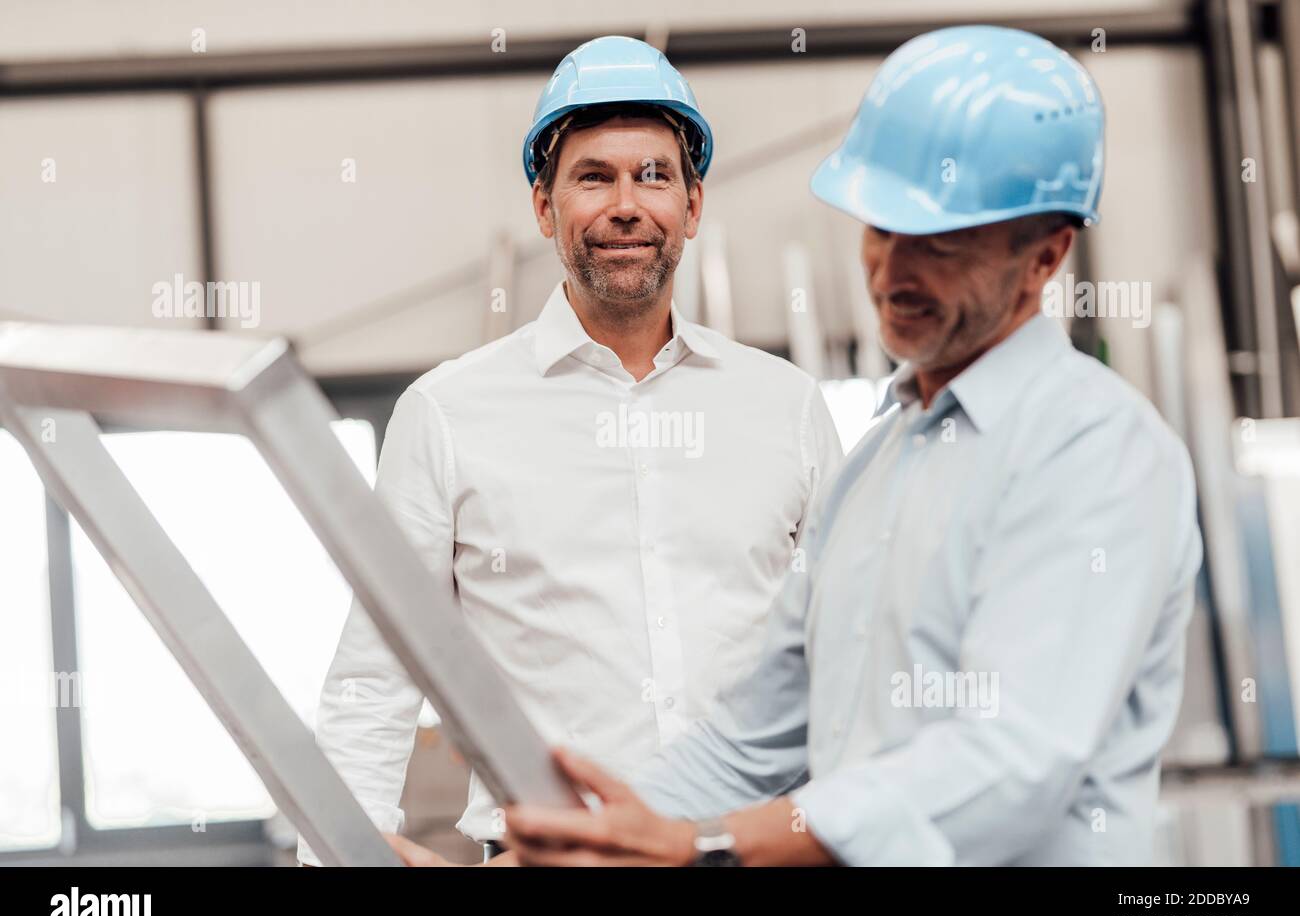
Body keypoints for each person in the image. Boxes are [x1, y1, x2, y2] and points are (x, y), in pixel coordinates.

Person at [488, 24, 1203, 867]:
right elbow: (751, 741)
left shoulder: (1096, 451)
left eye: (940, 242)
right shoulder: (875, 464)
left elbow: (1008, 762)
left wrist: (701, 847)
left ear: (1046, 254)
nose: (892, 272)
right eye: (881, 228)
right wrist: (543, 860)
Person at [299, 35, 843, 867]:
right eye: (593, 176)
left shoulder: (786, 407)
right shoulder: (447, 414)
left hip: (749, 849)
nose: (626, 205)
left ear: (693, 209)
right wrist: (342, 854)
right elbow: (375, 676)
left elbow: (846, 652)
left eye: (653, 176)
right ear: (544, 209)